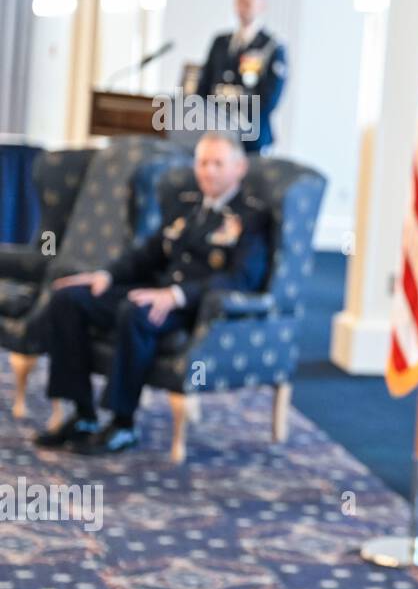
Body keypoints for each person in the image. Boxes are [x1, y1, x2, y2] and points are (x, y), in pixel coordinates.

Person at [35, 130, 270, 454]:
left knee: (135, 313)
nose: (208, 171)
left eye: (218, 163)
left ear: (239, 168)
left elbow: (241, 279)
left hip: (194, 307)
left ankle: (122, 424)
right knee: (69, 299)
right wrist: (107, 275)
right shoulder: (186, 205)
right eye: (203, 162)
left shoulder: (252, 217)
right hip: (155, 293)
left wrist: (176, 295)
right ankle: (83, 414)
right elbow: (148, 254)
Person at [195, 0, 287, 154]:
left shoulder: (271, 47)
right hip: (216, 129)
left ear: (261, 5)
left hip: (251, 134)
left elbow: (270, 98)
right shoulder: (220, 42)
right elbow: (204, 85)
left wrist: (242, 120)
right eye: (239, 2)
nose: (242, 8)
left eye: (248, 2)